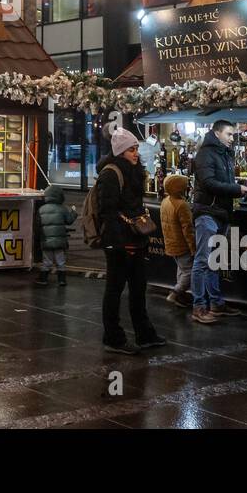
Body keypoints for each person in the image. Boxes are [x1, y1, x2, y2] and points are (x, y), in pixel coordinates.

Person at [97, 129, 166, 354]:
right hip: (119, 240)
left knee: (139, 287)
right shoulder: (111, 173)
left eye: (136, 149)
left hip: (136, 237)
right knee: (115, 288)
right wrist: (119, 239)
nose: (135, 154)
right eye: (131, 150)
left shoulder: (135, 172)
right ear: (120, 151)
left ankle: (144, 333)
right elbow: (108, 210)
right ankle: (113, 337)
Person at [189, 119, 247, 324]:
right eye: (229, 134)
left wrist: (236, 187)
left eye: (233, 135)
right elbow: (209, 182)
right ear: (217, 133)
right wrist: (237, 190)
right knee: (203, 260)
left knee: (213, 261)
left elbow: (222, 181)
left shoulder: (223, 154)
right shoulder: (206, 153)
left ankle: (215, 303)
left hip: (220, 212)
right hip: (207, 212)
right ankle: (198, 306)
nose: (232, 138)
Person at [159, 173, 195, 309]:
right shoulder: (181, 205)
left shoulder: (165, 201)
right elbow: (188, 230)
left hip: (171, 243)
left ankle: (180, 297)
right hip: (182, 245)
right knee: (189, 272)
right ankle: (176, 292)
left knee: (181, 269)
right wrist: (193, 248)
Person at [35, 184, 76, 286]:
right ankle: (62, 280)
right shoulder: (62, 208)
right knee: (60, 260)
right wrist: (73, 212)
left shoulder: (41, 209)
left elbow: (37, 225)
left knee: (47, 260)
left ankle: (43, 279)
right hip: (60, 241)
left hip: (46, 240)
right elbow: (69, 221)